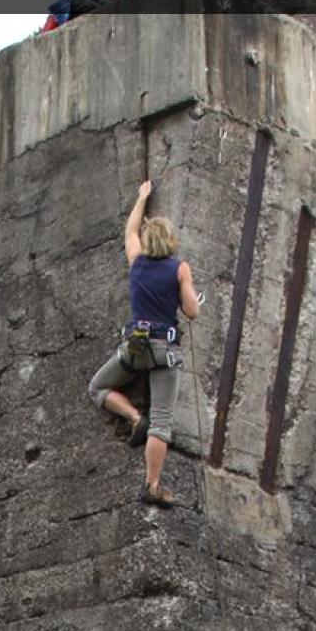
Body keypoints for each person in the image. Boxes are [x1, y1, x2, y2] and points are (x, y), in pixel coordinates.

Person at [88, 181, 201, 507]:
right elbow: (191, 312)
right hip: (165, 350)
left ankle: (135, 417)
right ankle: (152, 484)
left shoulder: (136, 262)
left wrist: (141, 197)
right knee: (162, 422)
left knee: (98, 387)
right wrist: (190, 293)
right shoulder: (179, 268)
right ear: (170, 242)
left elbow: (130, 231)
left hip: (135, 347)